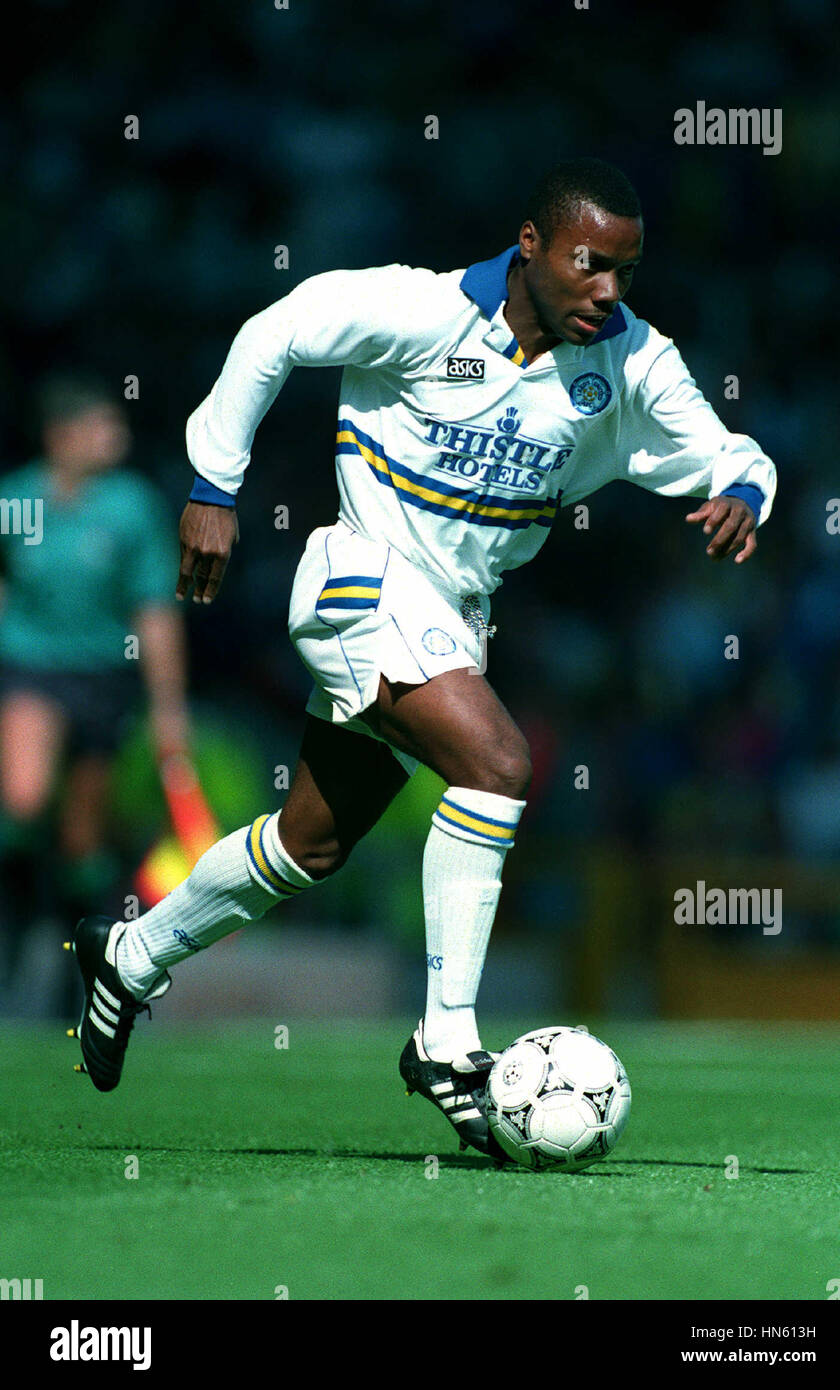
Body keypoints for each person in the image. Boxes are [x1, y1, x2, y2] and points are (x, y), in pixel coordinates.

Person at [68, 159, 776, 1158]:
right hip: (358, 578)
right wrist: (213, 487)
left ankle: (128, 953)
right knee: (496, 761)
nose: (608, 290)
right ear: (529, 247)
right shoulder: (419, 311)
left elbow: (729, 450)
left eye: (623, 269)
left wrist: (743, 492)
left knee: (309, 842)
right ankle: (445, 1039)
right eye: (588, 265)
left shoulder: (629, 362)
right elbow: (274, 331)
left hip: (451, 617)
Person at [0, 376, 187, 1011]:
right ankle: (16, 920)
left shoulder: (130, 505)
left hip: (104, 678)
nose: (118, 436)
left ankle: (71, 969)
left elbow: (154, 612)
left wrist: (168, 710)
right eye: (104, 425)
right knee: (22, 798)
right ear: (62, 435)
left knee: (83, 841)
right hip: (31, 667)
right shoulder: (17, 499)